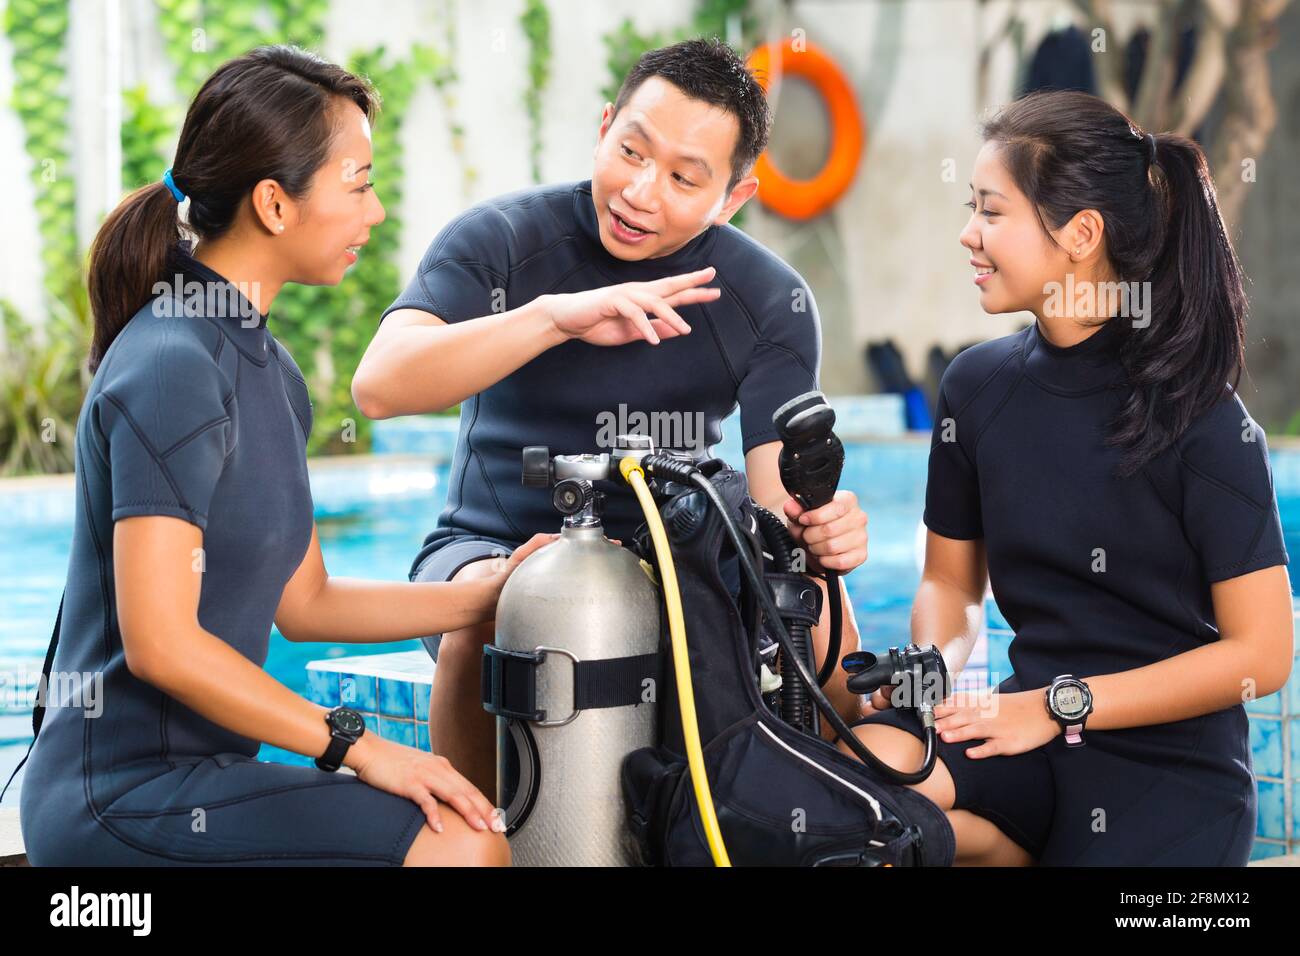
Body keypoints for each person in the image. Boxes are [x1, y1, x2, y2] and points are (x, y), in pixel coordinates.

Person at [14, 45, 554, 867]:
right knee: (460, 845)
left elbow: (307, 603)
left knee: (464, 828)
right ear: (274, 203)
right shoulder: (172, 365)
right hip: (118, 796)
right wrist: (359, 745)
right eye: (359, 183)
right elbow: (160, 643)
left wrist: (488, 595)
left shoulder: (270, 369)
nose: (375, 214)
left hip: (205, 773)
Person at [352, 38, 871, 796]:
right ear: (603, 128)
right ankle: (480, 845)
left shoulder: (767, 299)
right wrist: (555, 317)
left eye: (685, 178)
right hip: (488, 546)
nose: (641, 192)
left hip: (680, 560)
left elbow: (775, 512)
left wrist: (825, 538)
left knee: (824, 628)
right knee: (506, 604)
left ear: (732, 198)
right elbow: (381, 386)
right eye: (631, 151)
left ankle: (810, 826)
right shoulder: (502, 240)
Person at [845, 89, 1292, 866]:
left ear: (1081, 234)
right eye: (970, 208)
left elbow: (1264, 652)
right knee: (851, 797)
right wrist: (934, 670)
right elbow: (951, 585)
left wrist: (1062, 706)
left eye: (991, 212)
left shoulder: (1201, 416)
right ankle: (976, 843)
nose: (967, 234)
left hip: (1166, 778)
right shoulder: (975, 388)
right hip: (1022, 738)